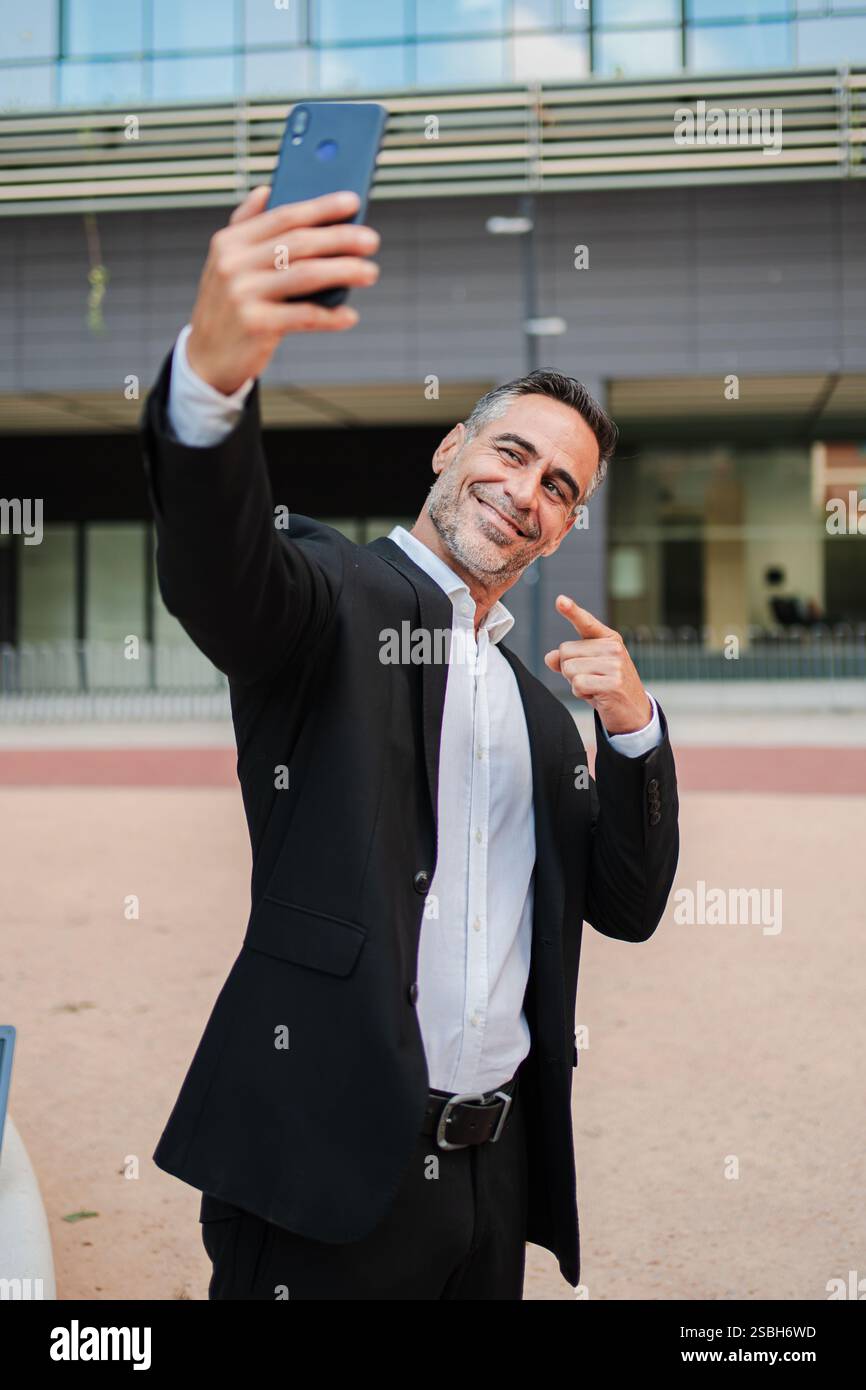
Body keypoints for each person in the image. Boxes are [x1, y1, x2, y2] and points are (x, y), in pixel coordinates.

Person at [140, 186, 680, 1300]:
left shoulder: (537, 711)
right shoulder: (331, 593)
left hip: (490, 1183)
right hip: (330, 1173)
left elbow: (624, 905)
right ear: (452, 445)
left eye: (558, 487)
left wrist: (632, 734)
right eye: (512, 453)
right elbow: (223, 574)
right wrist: (211, 383)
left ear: (567, 526)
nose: (524, 492)